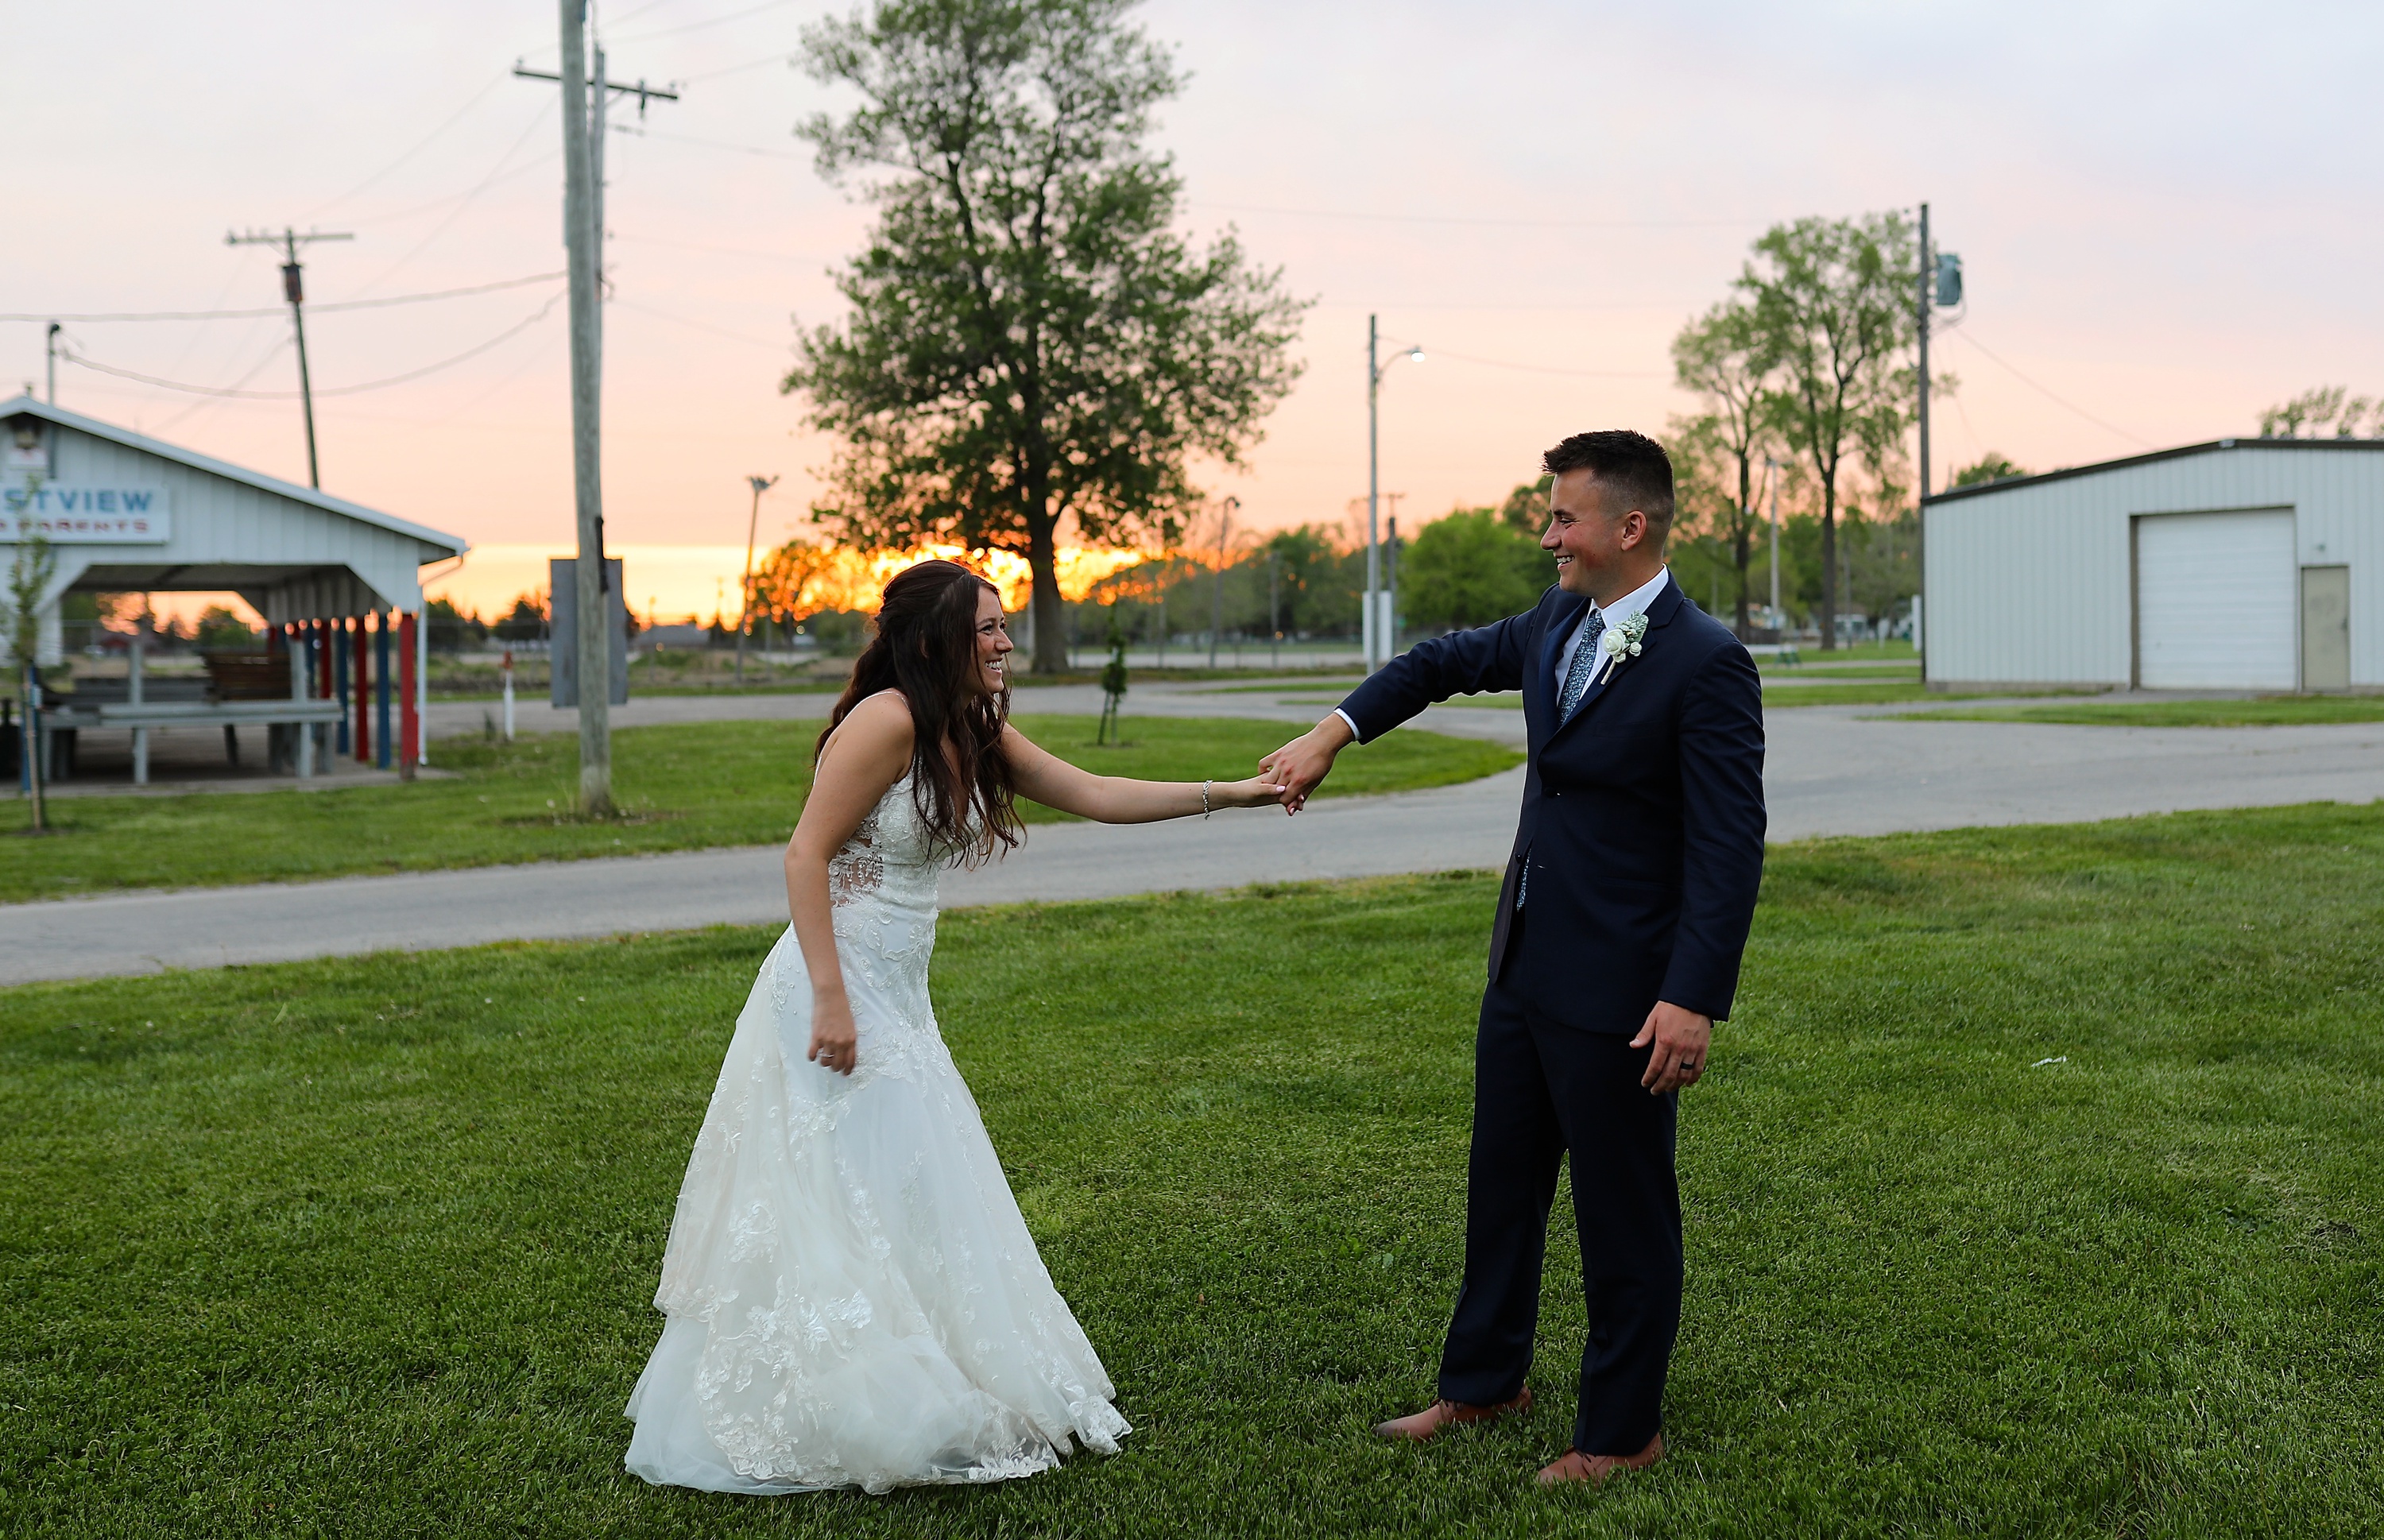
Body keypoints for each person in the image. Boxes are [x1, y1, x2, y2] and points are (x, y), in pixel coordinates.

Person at [625, 559, 1284, 1494]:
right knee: (846, 1190)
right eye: (988, 628)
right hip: (832, 987)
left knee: (902, 1189)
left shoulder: (972, 724)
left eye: (1005, 625)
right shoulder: (886, 720)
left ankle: (911, 1378)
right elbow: (805, 855)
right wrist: (831, 998)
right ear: (937, 642)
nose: (1006, 642)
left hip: (899, 995)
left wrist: (1234, 794)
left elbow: (1096, 793)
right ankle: (848, 1398)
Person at [1261, 430, 1765, 1487]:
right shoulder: (1553, 621)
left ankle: (1622, 1431)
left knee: (1624, 1214)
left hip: (1625, 988)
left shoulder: (1706, 660)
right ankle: (1485, 1381)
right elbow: (1439, 663)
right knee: (1501, 1190)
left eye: (1565, 518)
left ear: (1631, 527)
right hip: (1524, 966)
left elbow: (1729, 846)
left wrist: (1692, 997)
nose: (1550, 537)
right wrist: (1334, 732)